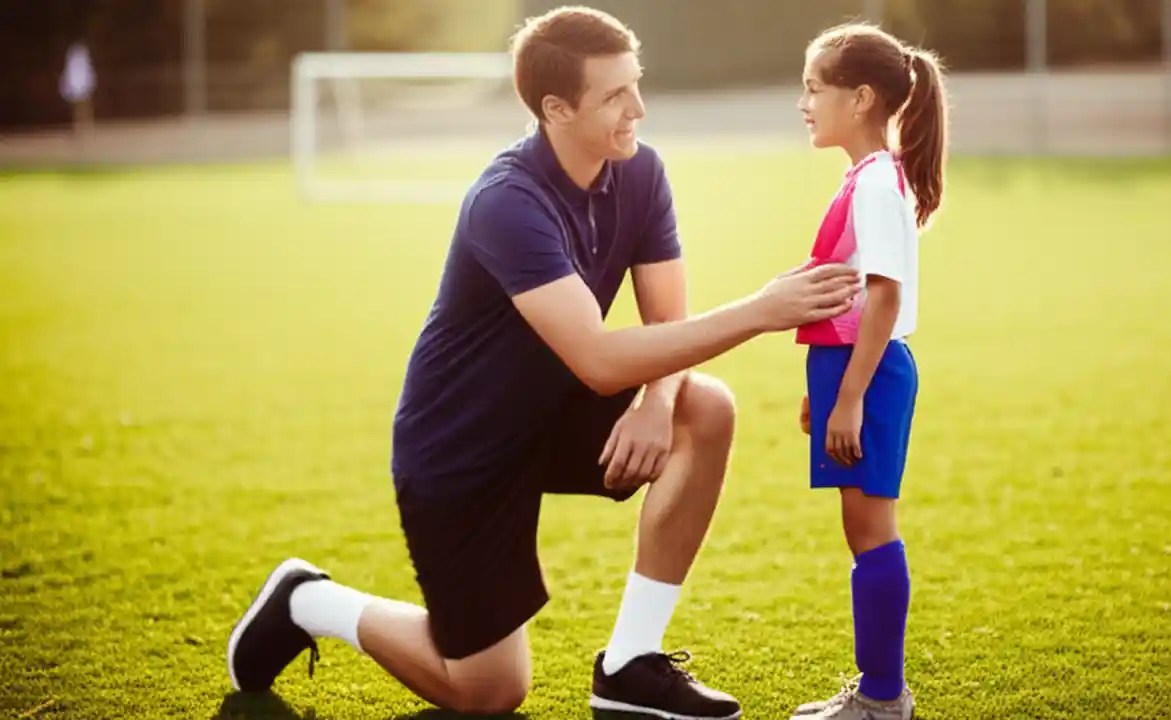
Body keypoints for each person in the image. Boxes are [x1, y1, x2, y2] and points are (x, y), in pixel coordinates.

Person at [225, 7, 860, 719]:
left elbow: (666, 322)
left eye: (637, 85)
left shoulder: (641, 172)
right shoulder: (506, 203)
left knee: (701, 408)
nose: (639, 109)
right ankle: (310, 600)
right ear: (555, 108)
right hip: (461, 450)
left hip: (551, 418)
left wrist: (657, 405)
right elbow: (594, 358)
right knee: (491, 692)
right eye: (616, 96)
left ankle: (628, 666)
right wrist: (761, 309)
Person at [787, 21, 949, 720]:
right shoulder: (865, 178)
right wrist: (821, 391)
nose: (804, 102)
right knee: (861, 531)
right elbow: (850, 294)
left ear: (859, 98)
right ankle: (878, 691)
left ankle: (884, 698)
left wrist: (848, 397)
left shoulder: (878, 183)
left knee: (872, 531)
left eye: (813, 87)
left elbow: (885, 296)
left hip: (871, 376)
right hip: (850, 373)